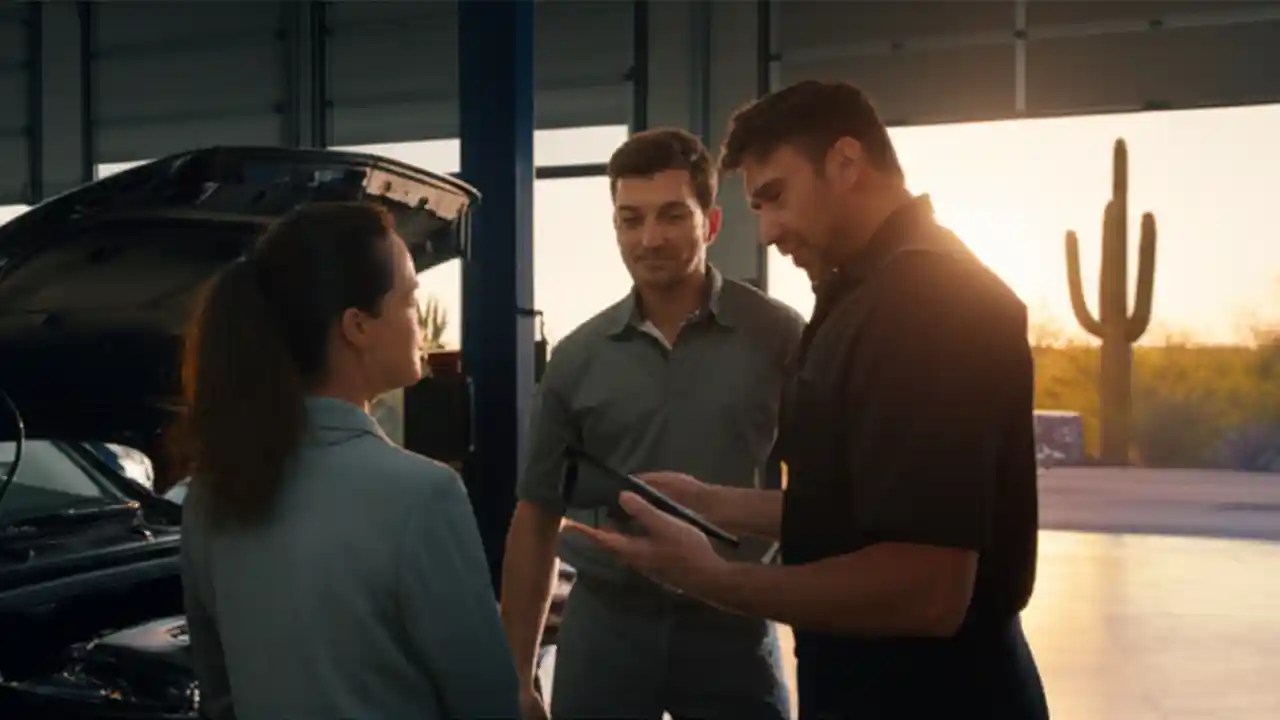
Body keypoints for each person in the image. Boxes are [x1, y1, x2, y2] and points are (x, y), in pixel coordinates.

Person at [570, 80, 1050, 719]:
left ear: (846, 164)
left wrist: (715, 578)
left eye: (776, 198)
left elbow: (929, 587)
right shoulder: (861, 294)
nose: (766, 232)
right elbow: (869, 509)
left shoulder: (931, 301)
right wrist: (718, 504)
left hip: (937, 696)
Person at [500, 127, 805, 720]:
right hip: (608, 626)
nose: (650, 238)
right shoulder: (577, 357)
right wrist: (517, 672)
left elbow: (826, 497)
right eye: (629, 219)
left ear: (710, 223)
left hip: (733, 625)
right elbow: (537, 514)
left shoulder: (778, 336)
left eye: (672, 216)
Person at [177, 202, 519, 720]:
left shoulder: (210, 492)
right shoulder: (423, 495)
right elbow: (487, 702)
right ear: (357, 326)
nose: (419, 320)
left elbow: (219, 694)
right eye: (408, 300)